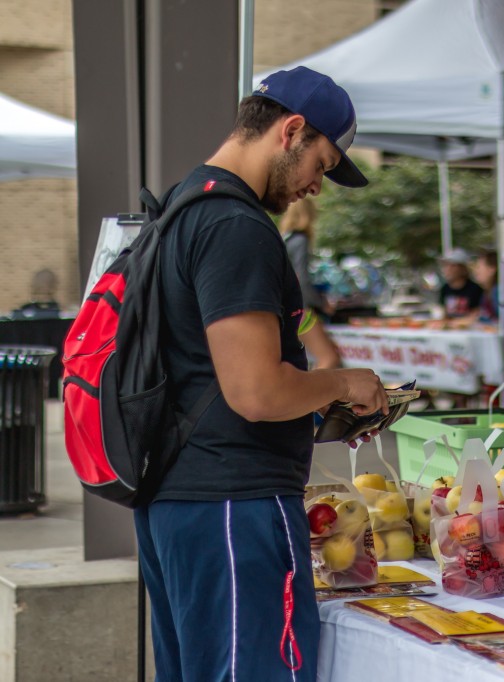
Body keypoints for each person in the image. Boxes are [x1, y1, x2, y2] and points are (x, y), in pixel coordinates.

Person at [135, 66, 389, 681]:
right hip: (231, 503)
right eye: (322, 165)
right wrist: (344, 383)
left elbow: (205, 369)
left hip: (182, 493)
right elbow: (256, 391)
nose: (316, 187)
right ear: (291, 130)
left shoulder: (182, 204)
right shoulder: (235, 226)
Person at [279, 197, 342, 369]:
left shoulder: (285, 239)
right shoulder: (300, 240)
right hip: (300, 312)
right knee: (329, 358)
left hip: (283, 310)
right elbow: (303, 280)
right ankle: (311, 396)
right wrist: (322, 304)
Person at [473, 249, 504, 325]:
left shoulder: (499, 291)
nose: (476, 271)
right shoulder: (488, 291)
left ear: (492, 269)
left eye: (479, 267)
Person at [438, 247, 483, 319]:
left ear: (463, 268)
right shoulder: (445, 289)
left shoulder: (475, 289)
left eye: (452, 266)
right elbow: (444, 313)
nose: (447, 269)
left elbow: (477, 313)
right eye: (445, 265)